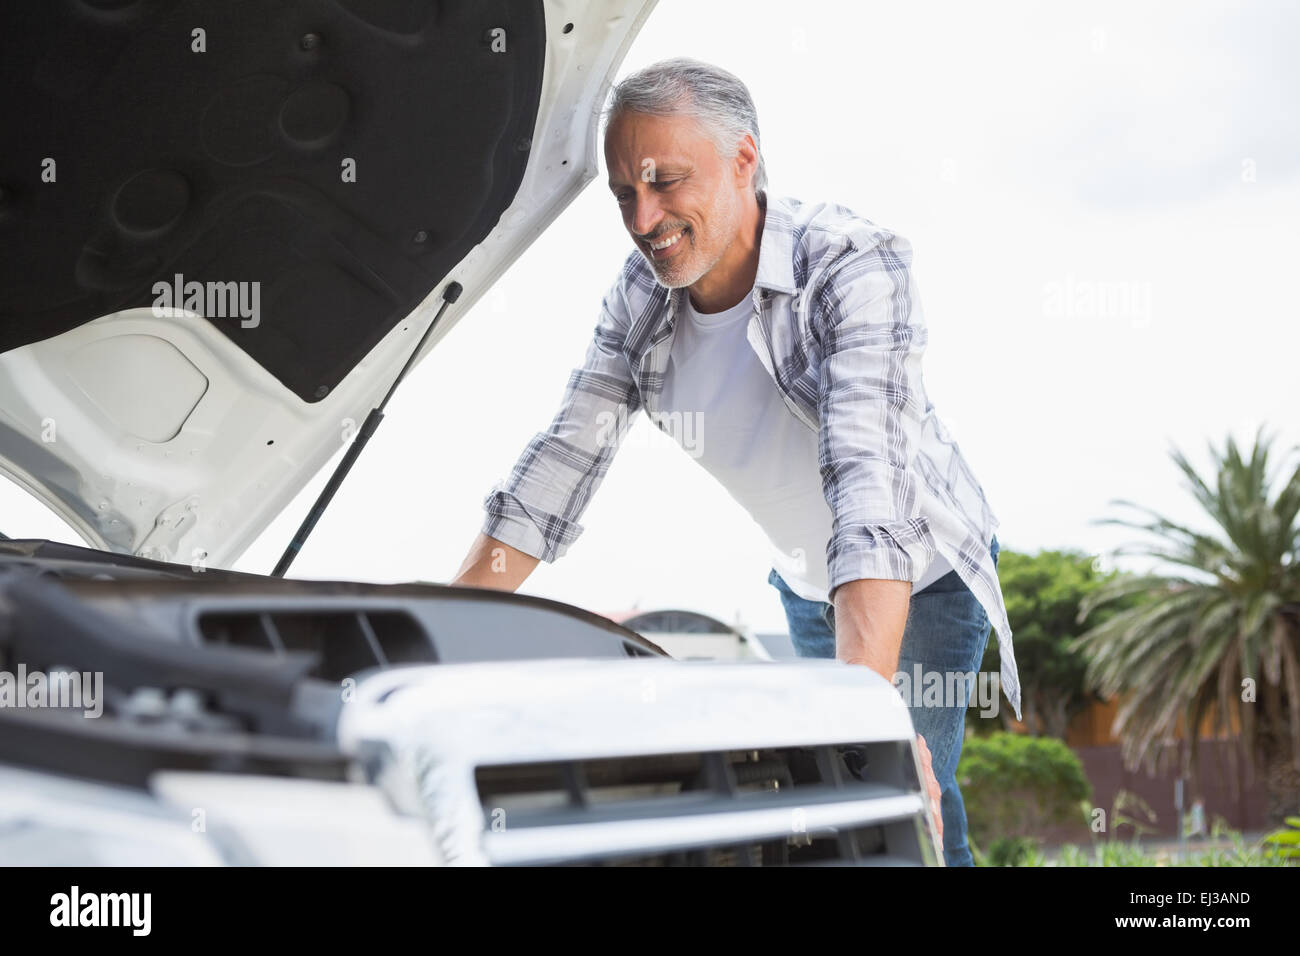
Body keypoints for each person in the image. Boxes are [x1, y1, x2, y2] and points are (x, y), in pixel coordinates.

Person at [451, 57, 1021, 866]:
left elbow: (870, 492)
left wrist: (864, 722)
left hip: (919, 576)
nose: (644, 218)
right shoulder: (639, 299)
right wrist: (435, 642)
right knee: (834, 801)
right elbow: (559, 465)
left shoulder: (851, 266)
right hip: (806, 582)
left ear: (744, 160)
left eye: (665, 182)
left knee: (891, 793)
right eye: (623, 193)